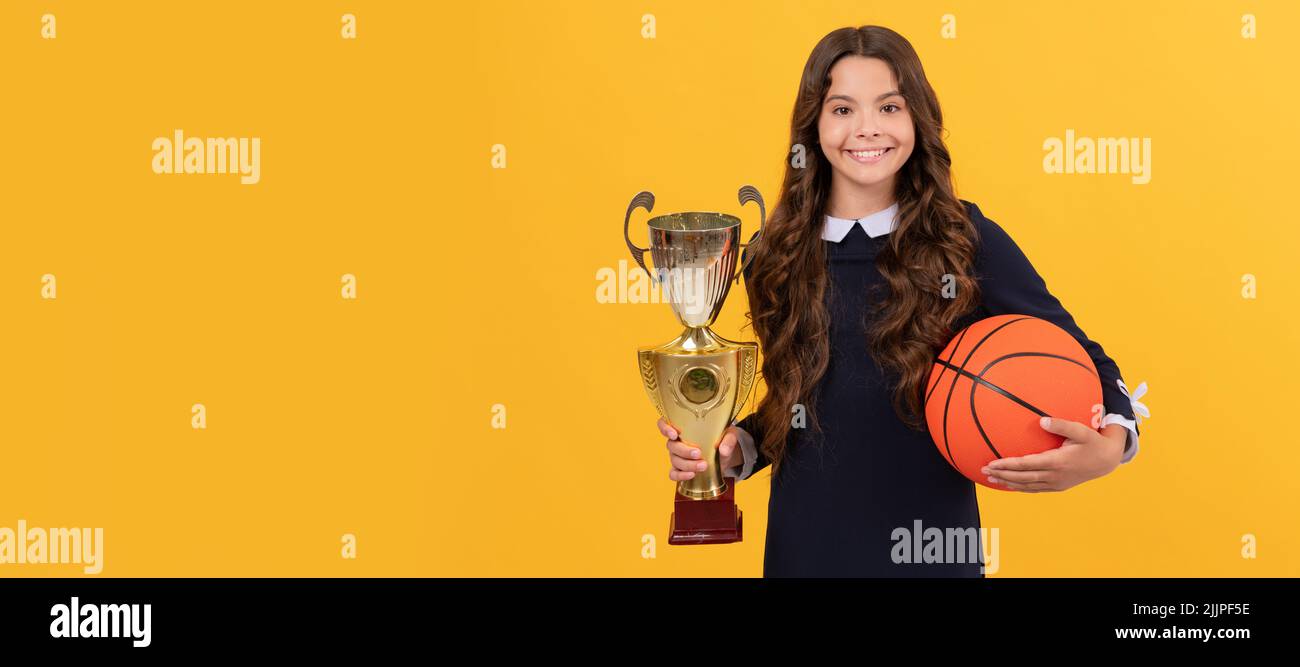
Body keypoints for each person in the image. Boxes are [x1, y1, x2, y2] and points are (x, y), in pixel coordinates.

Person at [656, 25, 1146, 577]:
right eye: (842, 109)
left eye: (889, 107)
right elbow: (796, 402)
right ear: (813, 125)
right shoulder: (774, 254)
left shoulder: (965, 239)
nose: (867, 128)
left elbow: (1082, 357)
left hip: (934, 558)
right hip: (804, 553)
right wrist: (735, 447)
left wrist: (1110, 447)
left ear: (918, 119)